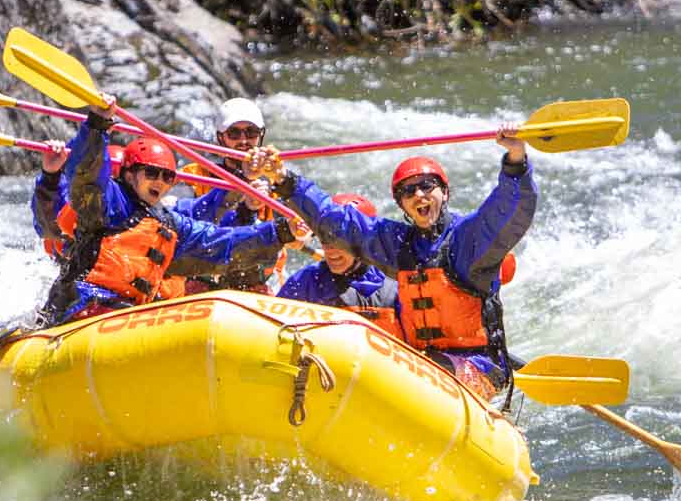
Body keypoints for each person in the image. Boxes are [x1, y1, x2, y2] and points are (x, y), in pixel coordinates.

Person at [261, 133, 533, 399]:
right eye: (408, 191)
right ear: (401, 204)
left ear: (445, 192)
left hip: (478, 365)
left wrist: (516, 160)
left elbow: (508, 211)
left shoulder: (469, 239)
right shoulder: (400, 245)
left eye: (427, 186)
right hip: (419, 362)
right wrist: (285, 180)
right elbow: (337, 221)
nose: (418, 195)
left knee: (423, 372)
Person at [23, 102, 293, 330]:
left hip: (130, 315)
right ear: (128, 174)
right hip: (84, 308)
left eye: (167, 176)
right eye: (151, 173)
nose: (160, 182)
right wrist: (97, 123)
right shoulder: (107, 205)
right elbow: (87, 176)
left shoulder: (168, 221)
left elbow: (220, 240)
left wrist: (283, 231)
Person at [181, 97, 291, 292]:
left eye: (251, 132)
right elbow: (181, 226)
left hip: (256, 284)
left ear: (261, 136)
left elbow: (298, 232)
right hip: (201, 280)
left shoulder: (276, 181)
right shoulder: (194, 175)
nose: (243, 141)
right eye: (234, 133)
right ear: (220, 138)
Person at [276, 194, 400, 332]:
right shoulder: (306, 282)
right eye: (323, 237)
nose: (329, 248)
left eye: (339, 240)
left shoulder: (395, 283)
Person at [33, 143, 122, 260]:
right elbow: (47, 221)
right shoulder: (74, 199)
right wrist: (50, 176)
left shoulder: (134, 209)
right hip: (69, 265)